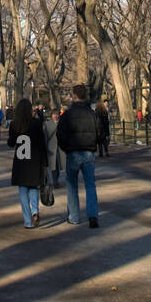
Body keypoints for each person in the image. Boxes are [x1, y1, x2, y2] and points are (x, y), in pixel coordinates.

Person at [56, 84, 100, 227]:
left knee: (72, 185)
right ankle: (93, 215)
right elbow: (99, 132)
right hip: (88, 151)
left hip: (73, 152)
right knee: (90, 185)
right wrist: (94, 145)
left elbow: (60, 134)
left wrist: (66, 148)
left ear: (74, 96)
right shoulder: (91, 113)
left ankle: (74, 216)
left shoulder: (68, 114)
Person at [9, 98, 48, 227]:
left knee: (23, 190)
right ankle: (35, 211)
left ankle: (27, 221)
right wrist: (45, 162)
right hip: (34, 160)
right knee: (33, 187)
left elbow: (11, 143)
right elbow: (42, 144)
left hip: (21, 162)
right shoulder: (36, 124)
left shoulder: (15, 124)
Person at [44, 108, 63, 189]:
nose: (55, 115)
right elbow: (45, 136)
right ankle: (55, 181)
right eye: (54, 114)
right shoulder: (47, 124)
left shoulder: (62, 123)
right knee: (53, 166)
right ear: (51, 115)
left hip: (60, 148)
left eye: (56, 114)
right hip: (51, 148)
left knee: (59, 166)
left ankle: (56, 179)